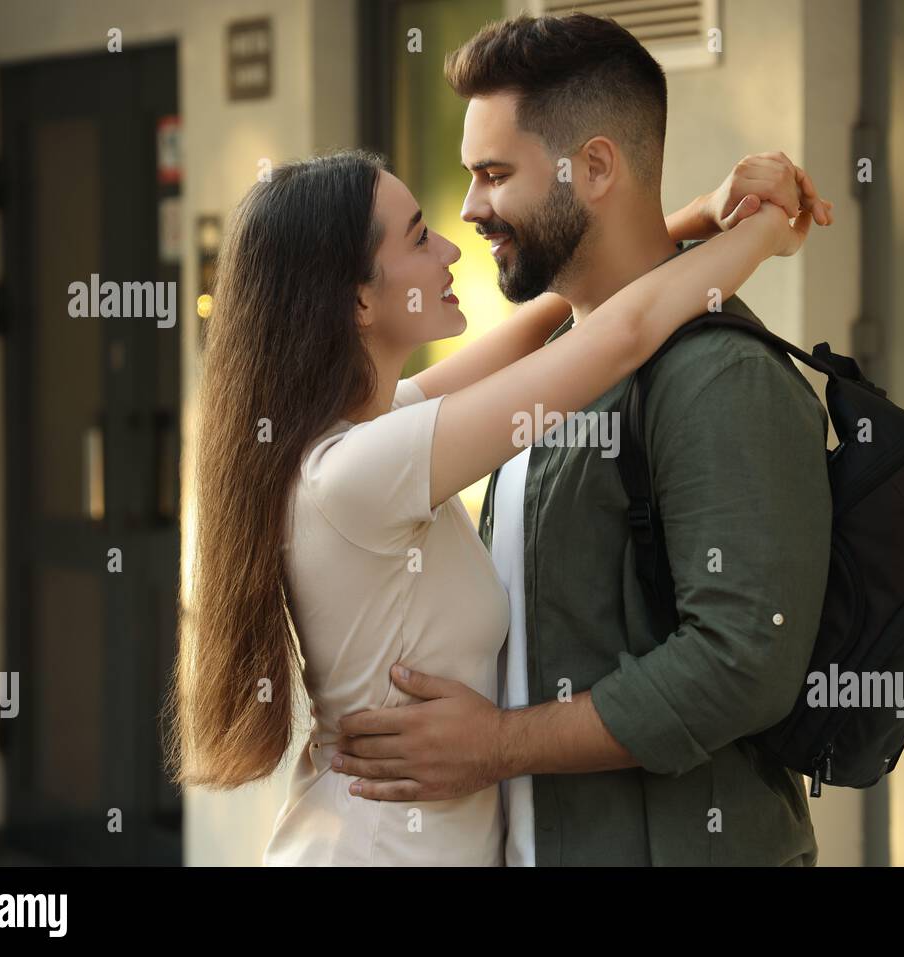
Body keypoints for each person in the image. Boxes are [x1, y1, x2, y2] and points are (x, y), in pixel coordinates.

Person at [164, 140, 818, 865]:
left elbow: (548, 321)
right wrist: (763, 235)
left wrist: (700, 213)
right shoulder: (361, 470)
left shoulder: (364, 437)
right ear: (357, 299)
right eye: (418, 237)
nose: (450, 248)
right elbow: (616, 338)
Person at [332, 13, 836, 866]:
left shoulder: (720, 379)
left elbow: (742, 659)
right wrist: (715, 220)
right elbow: (619, 320)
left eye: (494, 174)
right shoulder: (550, 367)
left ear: (594, 167)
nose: (470, 209)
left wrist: (498, 744)